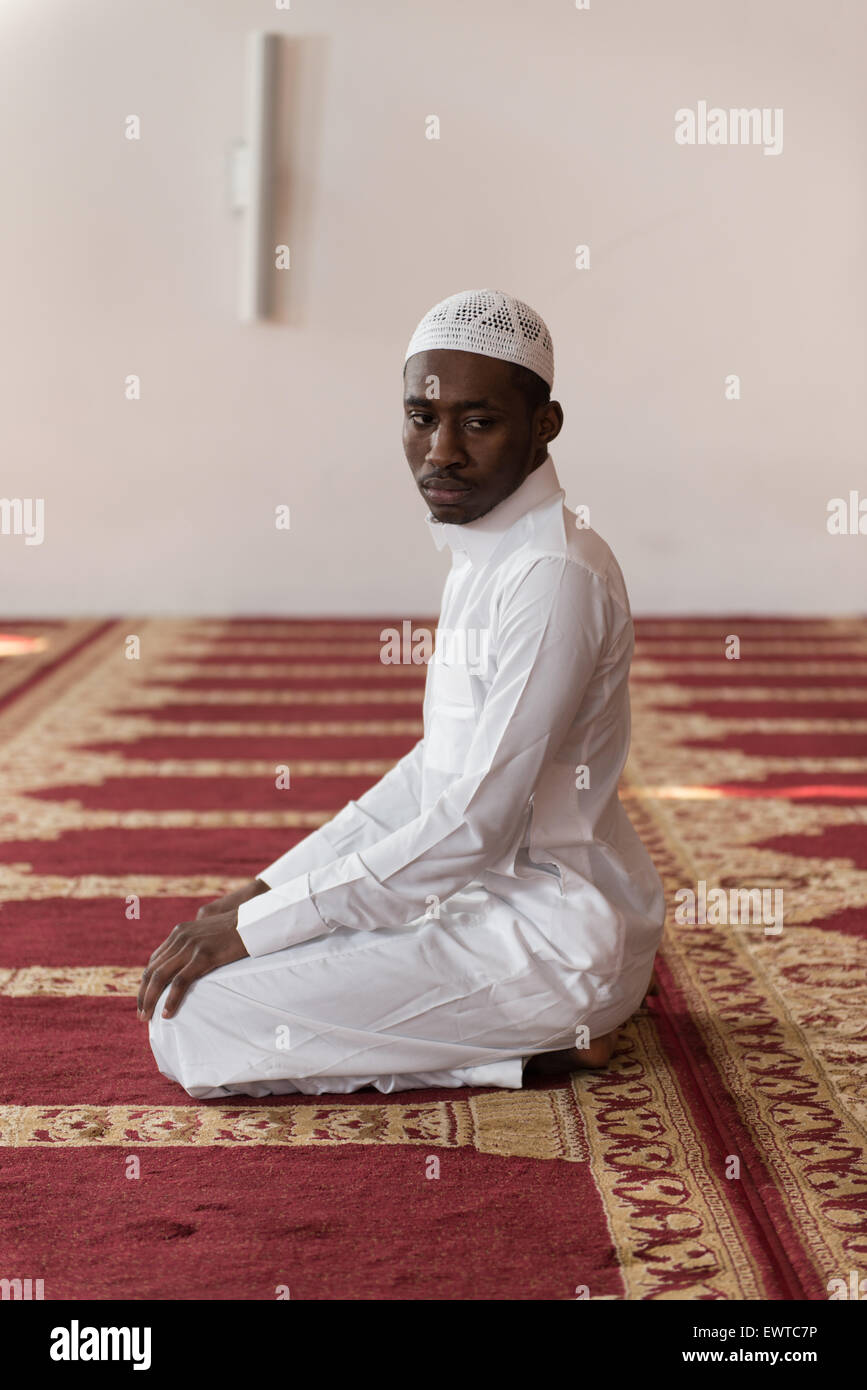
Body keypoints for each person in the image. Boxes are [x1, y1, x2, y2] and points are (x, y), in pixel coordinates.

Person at [139, 288, 665, 1097]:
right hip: (465, 909)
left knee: (195, 1016)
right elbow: (437, 771)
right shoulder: (488, 549)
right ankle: (529, 1045)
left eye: (477, 422)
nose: (440, 450)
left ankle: (549, 1037)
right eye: (422, 417)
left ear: (544, 426)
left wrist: (261, 926)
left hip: (548, 942)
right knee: (229, 964)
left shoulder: (550, 577)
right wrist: (267, 891)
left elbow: (474, 823)